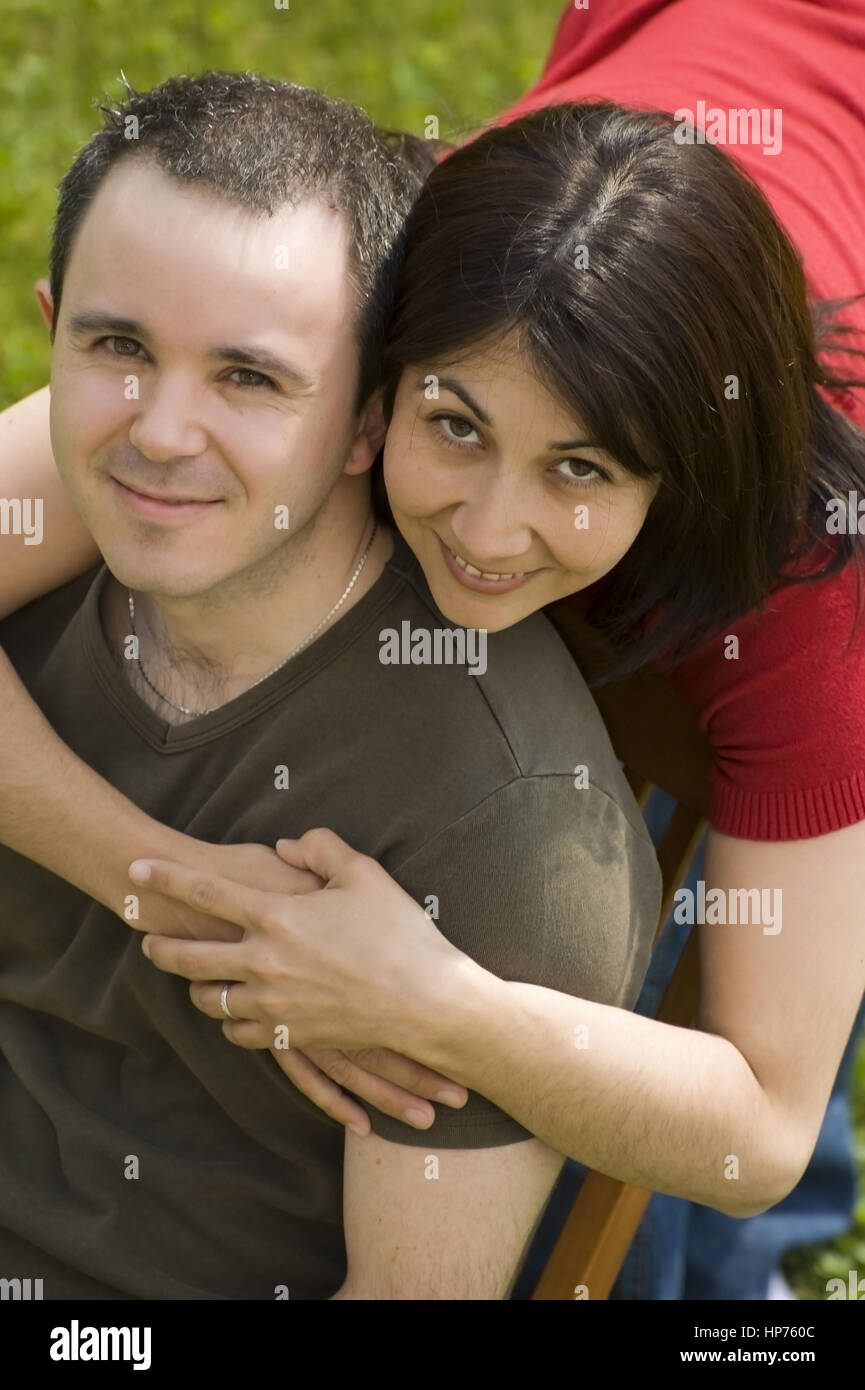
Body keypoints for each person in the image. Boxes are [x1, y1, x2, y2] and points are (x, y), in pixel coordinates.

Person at [2, 0, 865, 1300]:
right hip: (711, 25)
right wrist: (185, 888)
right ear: (370, 386)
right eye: (451, 426)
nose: (485, 532)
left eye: (576, 467)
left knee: (704, 1104)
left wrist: (441, 1001)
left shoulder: (806, 604)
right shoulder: (398, 268)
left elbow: (753, 1126)